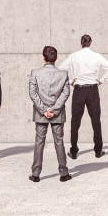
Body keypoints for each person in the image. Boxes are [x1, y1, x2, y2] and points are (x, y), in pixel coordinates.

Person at [57, 34, 108, 159]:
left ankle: (73, 151)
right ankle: (98, 151)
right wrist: (101, 80)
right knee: (96, 121)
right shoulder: (96, 56)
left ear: (81, 42)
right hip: (93, 90)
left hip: (79, 90)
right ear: (90, 43)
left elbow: (60, 69)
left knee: (75, 122)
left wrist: (71, 80)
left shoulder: (74, 56)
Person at [28, 46, 72, 183]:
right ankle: (64, 174)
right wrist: (54, 109)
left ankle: (35, 175)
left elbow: (33, 93)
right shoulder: (63, 74)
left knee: (39, 143)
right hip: (57, 114)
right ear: (56, 58)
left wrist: (43, 110)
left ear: (43, 57)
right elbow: (66, 93)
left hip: (41, 114)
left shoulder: (35, 72)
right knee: (59, 142)